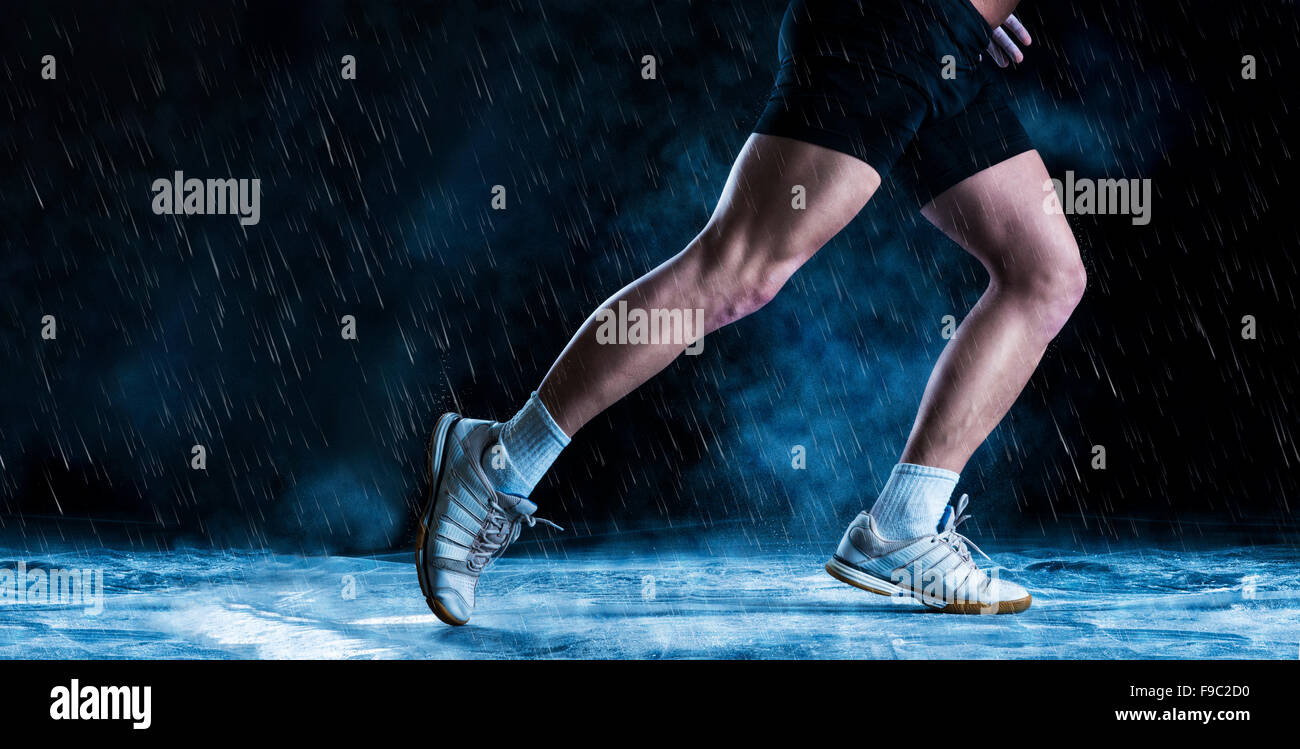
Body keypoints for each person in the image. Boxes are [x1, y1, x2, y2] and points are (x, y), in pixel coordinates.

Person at [416, 0, 1084, 625]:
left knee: (1045, 275)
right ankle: (499, 462)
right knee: (737, 271)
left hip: (949, 39)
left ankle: (901, 531)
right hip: (889, 19)